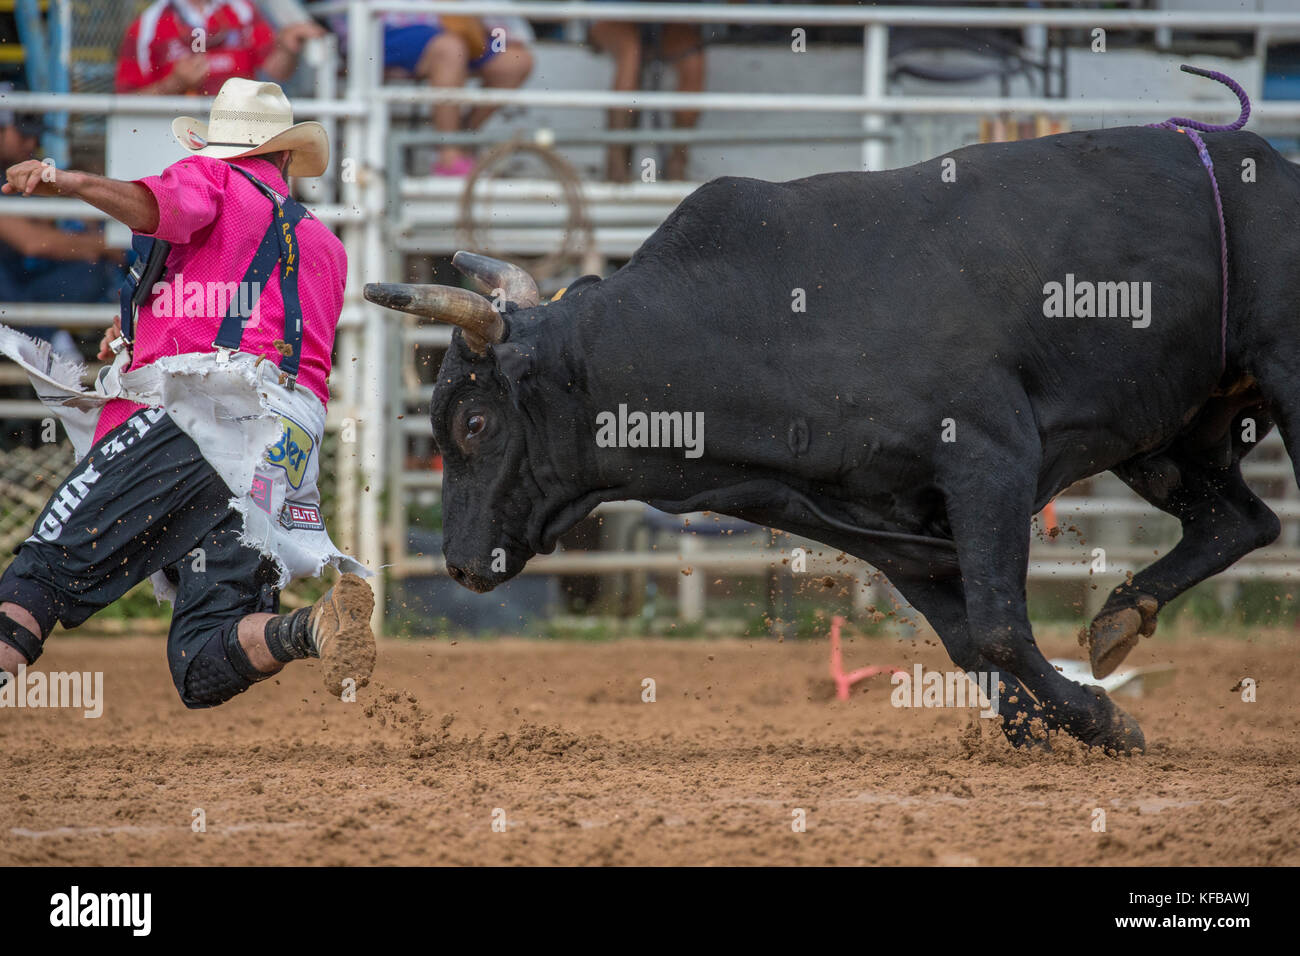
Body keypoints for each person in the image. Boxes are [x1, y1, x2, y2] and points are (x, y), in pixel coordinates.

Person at [0, 78, 374, 709]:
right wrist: (145, 328)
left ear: (217, 148)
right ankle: (308, 628)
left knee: (38, 574)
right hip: (285, 445)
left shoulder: (213, 179)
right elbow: (265, 327)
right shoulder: (325, 246)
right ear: (285, 157)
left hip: (208, 415)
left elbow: (162, 208)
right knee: (203, 658)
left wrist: (73, 182)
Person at [332, 3, 533, 175]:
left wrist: (503, 30)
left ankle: (461, 140)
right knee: (449, 49)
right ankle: (448, 158)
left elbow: (504, 20)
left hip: (450, 28)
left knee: (515, 61)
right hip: (380, 29)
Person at [0, 102, 120, 358]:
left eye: (35, 135)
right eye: (23, 134)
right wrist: (104, 244)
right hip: (11, 289)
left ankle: (48, 346)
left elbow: (46, 226)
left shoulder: (12, 172)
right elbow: (33, 242)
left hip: (23, 284)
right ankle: (49, 347)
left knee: (90, 273)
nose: (31, 142)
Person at [116, 0, 323, 96]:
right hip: (171, 136)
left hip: (238, 129)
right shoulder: (147, 24)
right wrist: (174, 84)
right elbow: (125, 102)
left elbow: (277, 70)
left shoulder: (243, 10)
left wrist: (286, 45)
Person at [588, 14, 706, 182]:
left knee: (693, 58)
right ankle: (615, 161)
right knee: (630, 51)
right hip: (612, 13)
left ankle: (678, 162)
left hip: (667, 22)